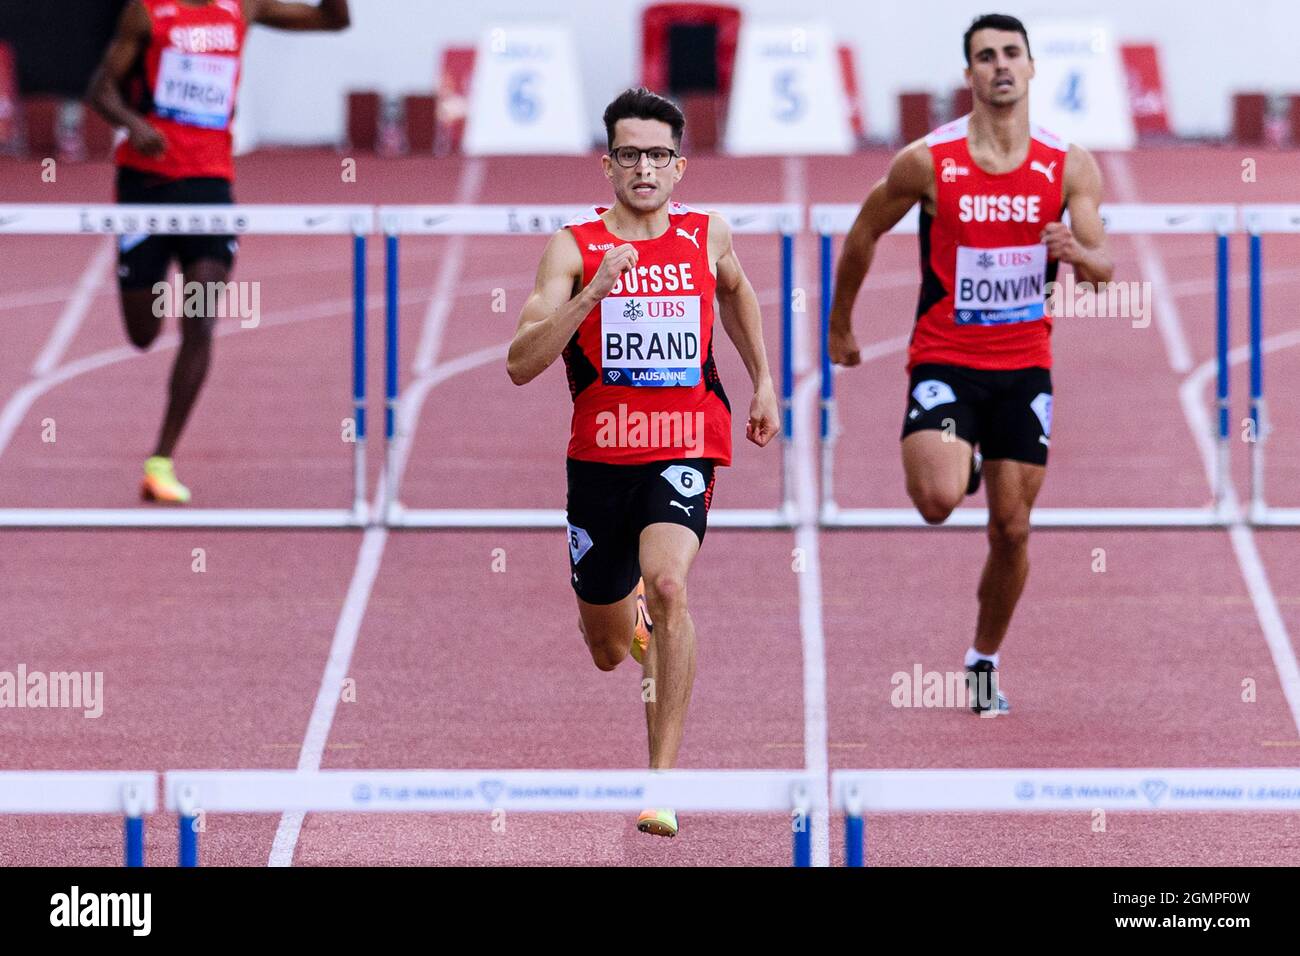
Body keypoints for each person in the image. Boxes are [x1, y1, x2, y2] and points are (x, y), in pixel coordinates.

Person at [507, 87, 780, 835]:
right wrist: (594, 291)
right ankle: (625, 624)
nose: (644, 167)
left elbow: (739, 292)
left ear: (679, 165)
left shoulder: (707, 234)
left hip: (684, 443)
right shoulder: (572, 247)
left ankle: (660, 781)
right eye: (629, 153)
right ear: (609, 164)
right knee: (603, 649)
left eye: (658, 154)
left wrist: (763, 383)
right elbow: (520, 363)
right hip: (599, 459)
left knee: (668, 586)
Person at [828, 14, 1113, 714]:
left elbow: (1105, 270)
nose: (1000, 66)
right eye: (985, 57)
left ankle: (982, 661)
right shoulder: (928, 160)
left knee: (1011, 528)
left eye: (1011, 53)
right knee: (934, 503)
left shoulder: (1068, 162)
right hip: (946, 357)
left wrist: (1077, 253)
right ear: (969, 76)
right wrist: (840, 324)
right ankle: (967, 462)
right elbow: (864, 231)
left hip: (1024, 366)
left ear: (1032, 66)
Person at [87, 0, 351, 503]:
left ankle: (160, 460)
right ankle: (146, 278)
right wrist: (134, 125)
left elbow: (333, 21)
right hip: (146, 182)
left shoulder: (242, 8)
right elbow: (100, 88)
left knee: (201, 316)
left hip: (209, 186)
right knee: (143, 333)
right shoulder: (147, 13)